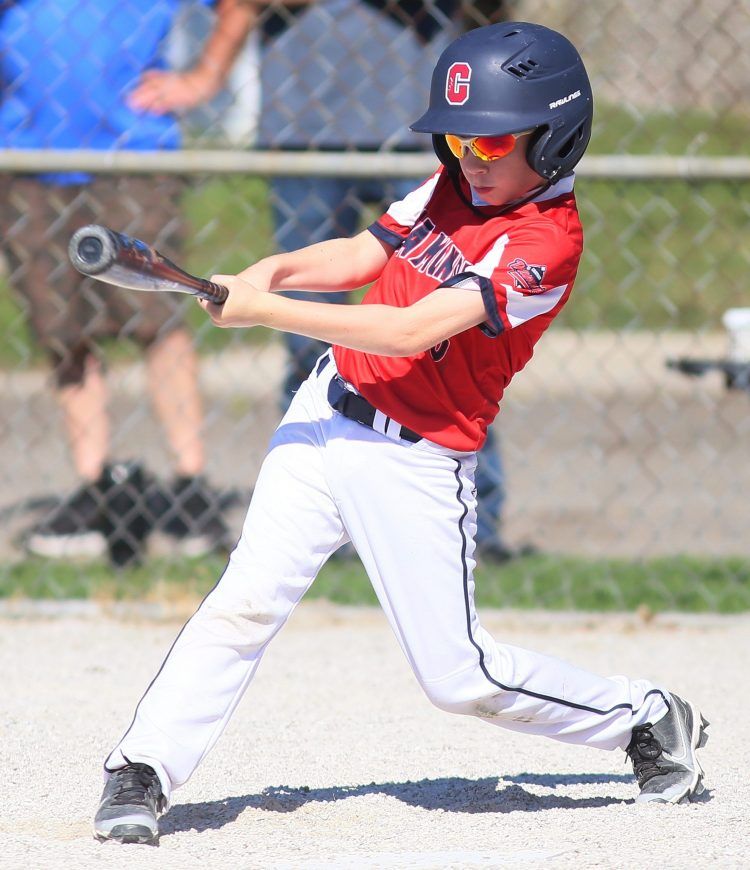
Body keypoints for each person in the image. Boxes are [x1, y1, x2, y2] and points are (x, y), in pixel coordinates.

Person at [93, 22, 708, 843]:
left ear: (556, 136)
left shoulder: (544, 244)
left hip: (415, 459)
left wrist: (264, 312)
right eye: (460, 140)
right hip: (324, 413)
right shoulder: (453, 183)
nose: (474, 158)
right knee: (245, 599)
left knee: (459, 679)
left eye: (494, 142)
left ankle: (644, 716)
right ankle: (142, 769)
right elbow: (361, 254)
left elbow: (409, 330)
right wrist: (270, 271)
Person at [259, 0, 520, 562]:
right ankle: (320, 519)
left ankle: (468, 523)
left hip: (427, 122)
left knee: (451, 335)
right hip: (301, 116)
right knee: (313, 345)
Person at [0, 0, 255, 564]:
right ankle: (98, 486)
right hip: (30, 153)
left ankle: (190, 485)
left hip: (132, 150)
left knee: (158, 317)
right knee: (63, 333)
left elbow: (238, 8)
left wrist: (205, 77)